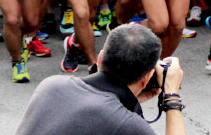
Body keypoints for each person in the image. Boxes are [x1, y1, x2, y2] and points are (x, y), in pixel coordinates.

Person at [15, 25, 186, 135]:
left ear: (100, 58)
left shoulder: (51, 85)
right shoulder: (125, 123)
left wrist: (127, 100)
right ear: (148, 76)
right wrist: (171, 96)